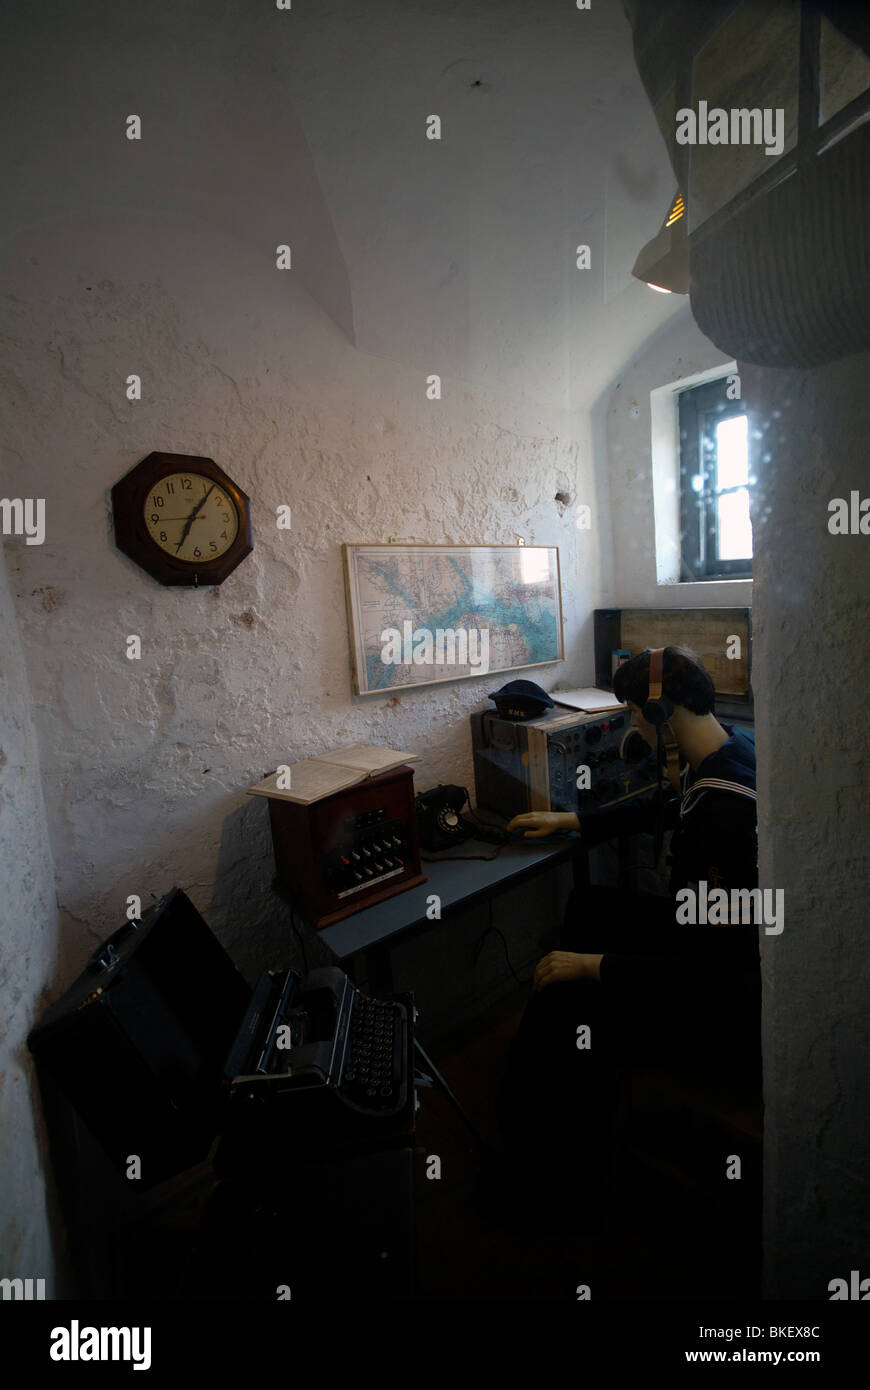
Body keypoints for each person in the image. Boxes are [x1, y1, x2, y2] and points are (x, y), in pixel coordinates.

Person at [490, 646, 761, 1226]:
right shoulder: (728, 751)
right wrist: (574, 821)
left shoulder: (726, 815)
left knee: (566, 1003)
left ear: (661, 714)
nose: (634, 726)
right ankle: (543, 1109)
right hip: (704, 942)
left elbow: (713, 971)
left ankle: (550, 1181)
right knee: (589, 903)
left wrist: (595, 966)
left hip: (723, 1007)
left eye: (636, 713)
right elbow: (664, 802)